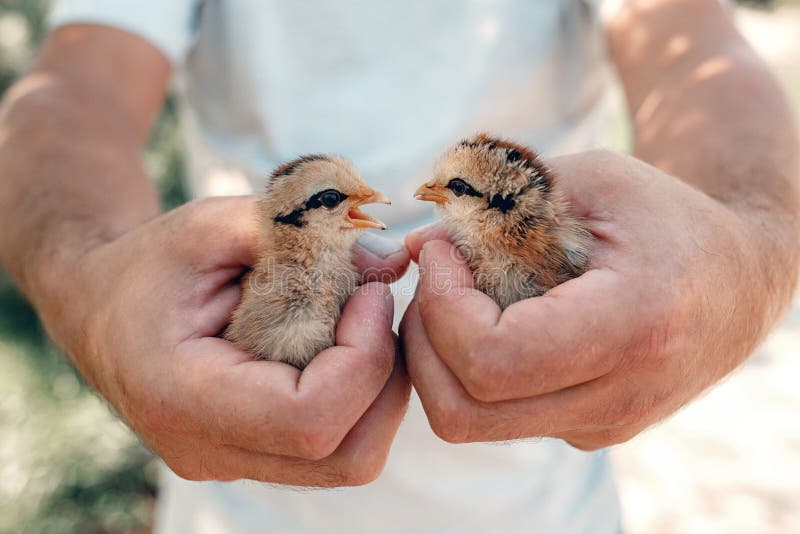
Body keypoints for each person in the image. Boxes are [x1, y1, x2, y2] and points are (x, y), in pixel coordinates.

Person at [0, 0, 797, 532]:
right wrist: (94, 290)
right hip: (240, 508)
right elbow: (72, 94)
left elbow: (698, 52)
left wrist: (748, 251)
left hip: (538, 508)